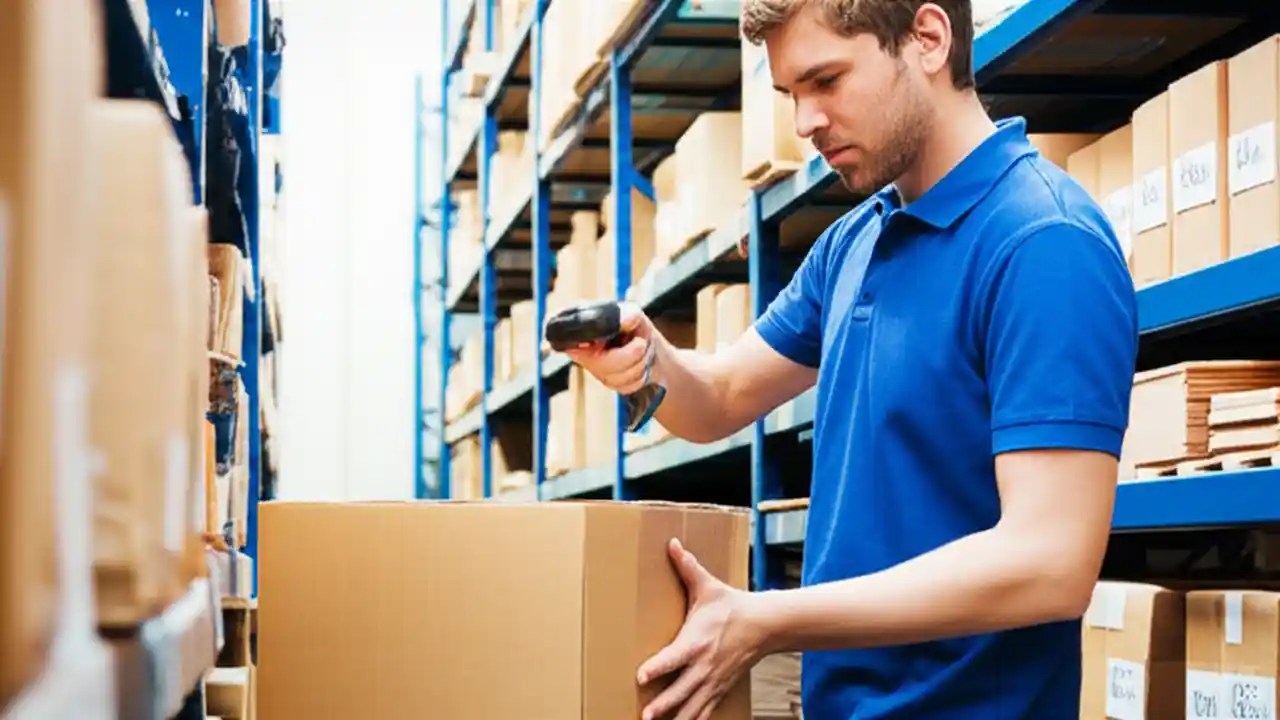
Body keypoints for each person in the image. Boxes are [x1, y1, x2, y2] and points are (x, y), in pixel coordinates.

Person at [559, 1, 1138, 718]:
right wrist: (647, 360)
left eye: (825, 81)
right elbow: (723, 396)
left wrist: (768, 620)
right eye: (790, 96)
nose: (804, 124)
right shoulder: (853, 243)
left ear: (927, 40)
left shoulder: (1043, 243)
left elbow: (1048, 563)